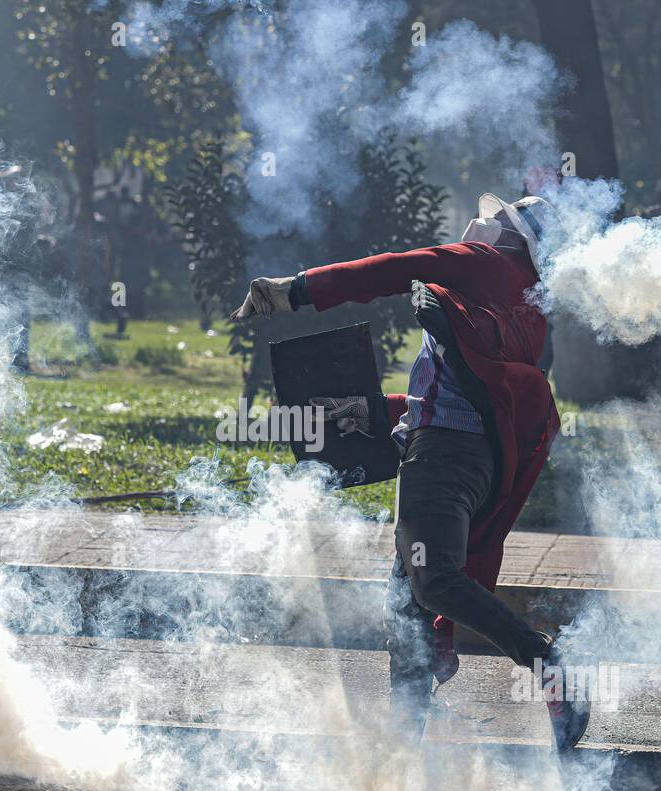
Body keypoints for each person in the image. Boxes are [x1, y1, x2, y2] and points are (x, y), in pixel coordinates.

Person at [230, 193, 591, 751]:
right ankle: (402, 753)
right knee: (407, 608)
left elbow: (394, 268)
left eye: (497, 221)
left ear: (513, 235)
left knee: (432, 582)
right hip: (471, 461)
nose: (483, 224)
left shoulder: (481, 261)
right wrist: (378, 413)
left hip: (440, 459)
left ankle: (545, 661)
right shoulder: (531, 309)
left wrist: (295, 290)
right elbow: (473, 394)